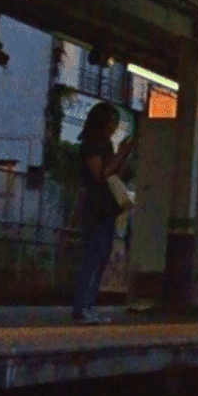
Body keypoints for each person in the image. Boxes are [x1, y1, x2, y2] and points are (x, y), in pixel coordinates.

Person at [73, 102, 134, 324]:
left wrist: (122, 156)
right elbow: (101, 175)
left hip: (104, 207)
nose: (114, 128)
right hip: (95, 207)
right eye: (111, 123)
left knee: (99, 257)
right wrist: (120, 155)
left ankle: (88, 306)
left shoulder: (105, 144)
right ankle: (83, 307)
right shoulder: (93, 144)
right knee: (93, 256)